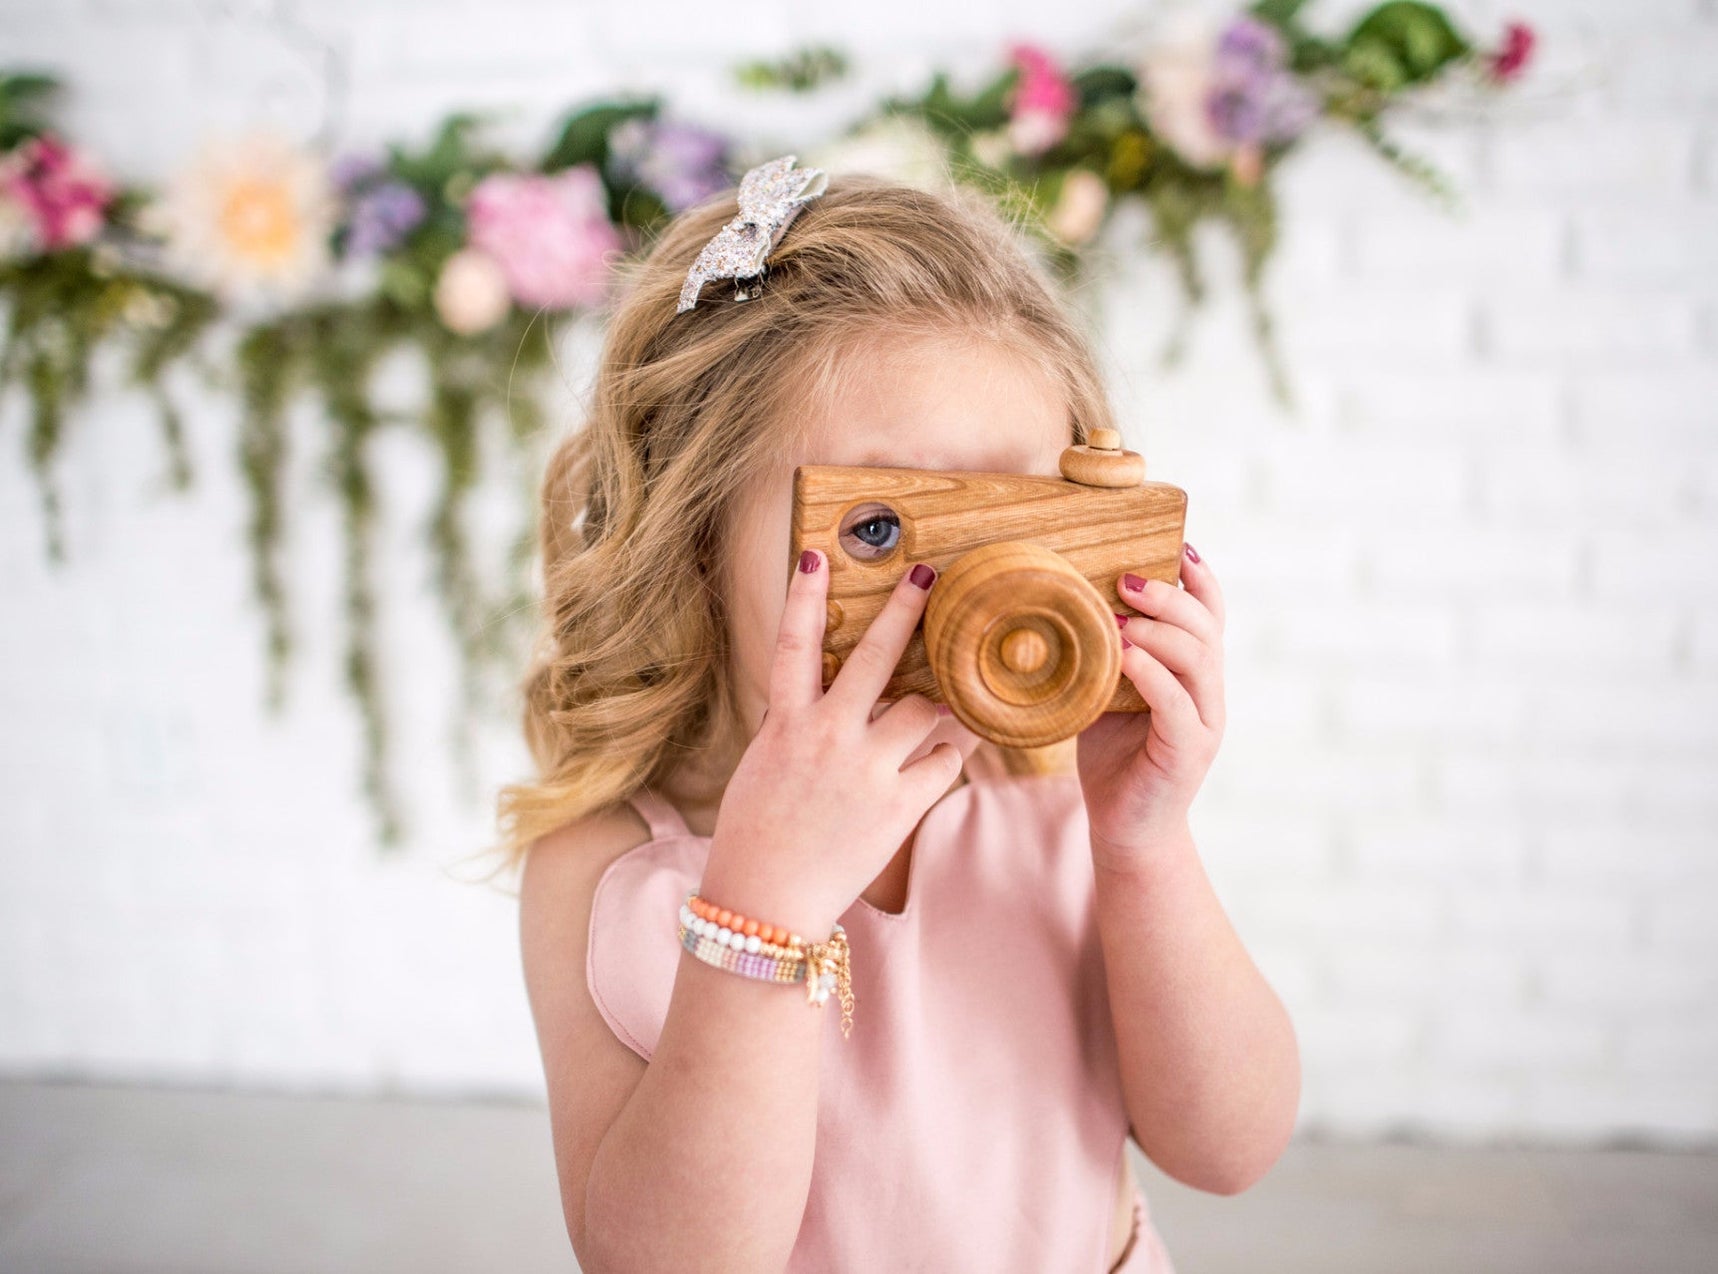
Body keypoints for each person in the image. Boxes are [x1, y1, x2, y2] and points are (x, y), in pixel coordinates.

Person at [498, 156, 1300, 1272]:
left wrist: (1145, 842)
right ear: (693, 535)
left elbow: (1229, 1145)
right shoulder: (612, 869)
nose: (968, 592)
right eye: (878, 529)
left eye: (1019, 516)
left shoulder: (1057, 807)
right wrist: (762, 899)